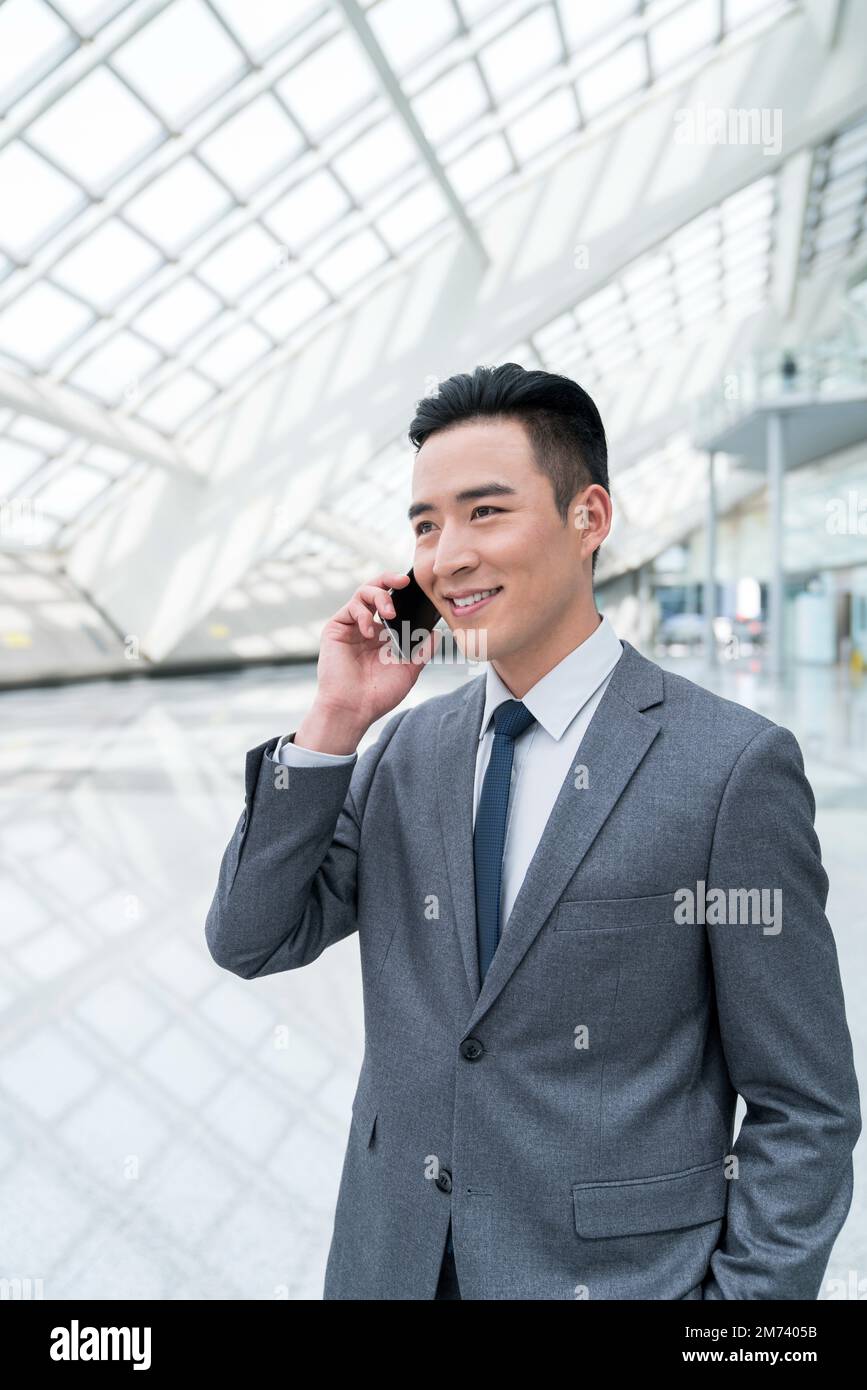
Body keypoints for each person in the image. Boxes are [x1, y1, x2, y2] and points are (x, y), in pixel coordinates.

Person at [205, 363, 860, 1300]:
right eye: (425, 525)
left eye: (486, 512)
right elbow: (247, 937)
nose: (447, 555)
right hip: (390, 1265)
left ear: (589, 517)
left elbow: (806, 1106)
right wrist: (334, 724)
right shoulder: (401, 751)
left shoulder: (727, 768)